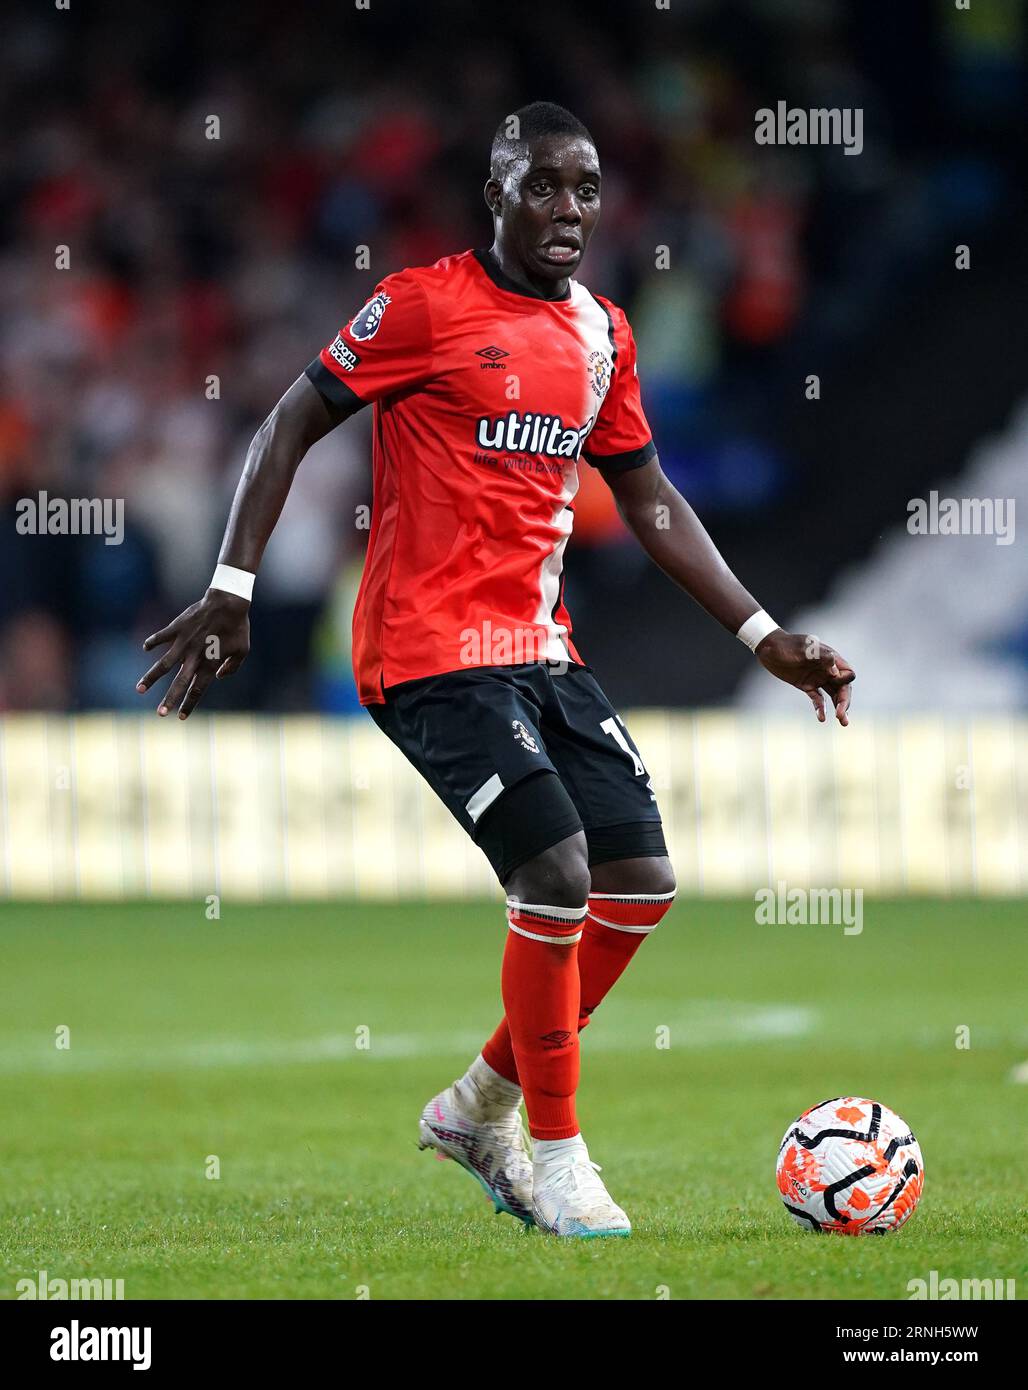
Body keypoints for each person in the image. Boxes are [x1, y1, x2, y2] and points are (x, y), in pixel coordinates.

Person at [136, 101, 854, 1238]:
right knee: (558, 874)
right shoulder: (420, 306)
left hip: (540, 648)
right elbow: (287, 422)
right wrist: (233, 587)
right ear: (497, 194)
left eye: (584, 189)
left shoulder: (602, 334)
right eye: (542, 187)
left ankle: (476, 1106)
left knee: (640, 880)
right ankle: (557, 1154)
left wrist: (760, 633)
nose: (566, 210)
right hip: (424, 651)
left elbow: (649, 496)